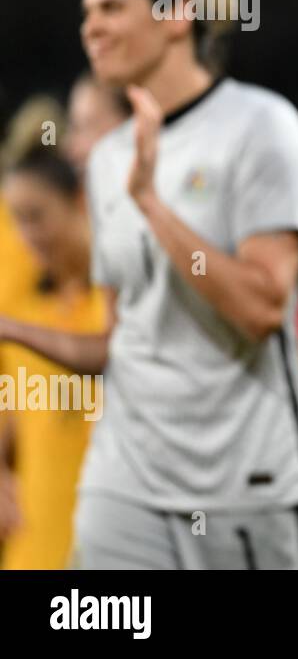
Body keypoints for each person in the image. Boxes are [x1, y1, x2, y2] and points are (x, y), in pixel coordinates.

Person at [72, 0, 298, 568]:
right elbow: (119, 339)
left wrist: (151, 204)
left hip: (244, 483)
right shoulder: (106, 159)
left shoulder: (261, 126)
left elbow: (263, 307)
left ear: (176, 15)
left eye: (110, 7)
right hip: (123, 480)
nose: (91, 28)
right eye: (86, 12)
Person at [0, 79, 127, 568]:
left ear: (79, 203)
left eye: (36, 217)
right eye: (16, 221)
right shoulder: (27, 314)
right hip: (31, 553)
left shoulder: (118, 305)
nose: (27, 237)